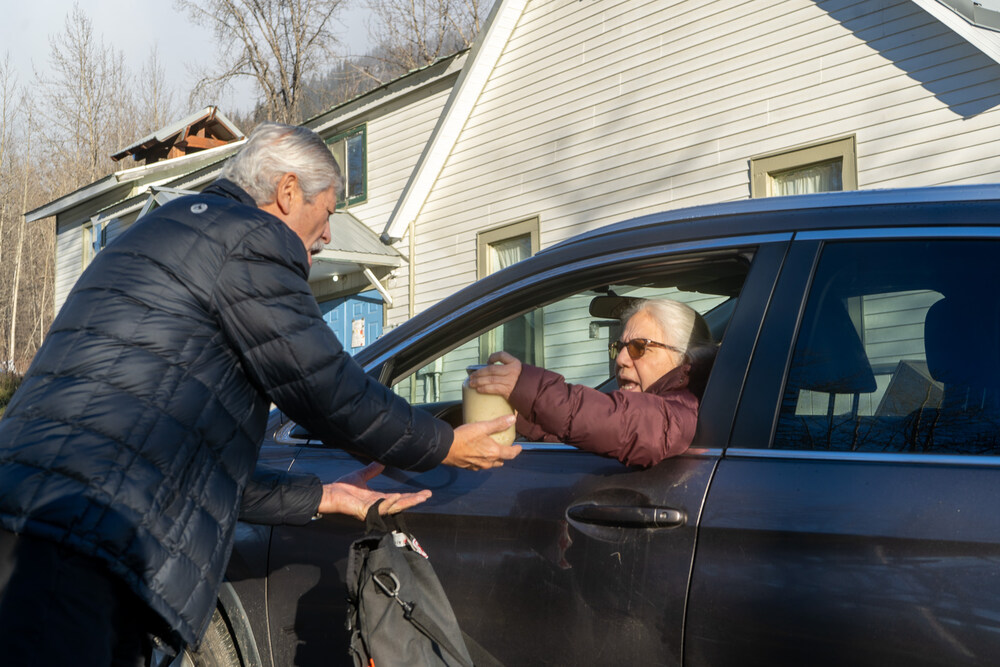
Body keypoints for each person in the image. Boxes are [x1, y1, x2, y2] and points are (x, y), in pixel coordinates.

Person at [0, 122, 520, 665]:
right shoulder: (252, 239)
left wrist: (324, 496)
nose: (325, 236)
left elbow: (183, 461)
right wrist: (441, 444)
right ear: (288, 191)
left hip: (40, 526)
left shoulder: (168, 231)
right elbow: (326, 387)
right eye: (327, 213)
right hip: (82, 550)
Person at [469, 298, 714, 467]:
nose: (620, 359)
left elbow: (626, 423)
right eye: (618, 347)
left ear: (684, 357)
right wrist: (526, 415)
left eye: (639, 347)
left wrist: (529, 388)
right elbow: (589, 430)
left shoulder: (683, 406)